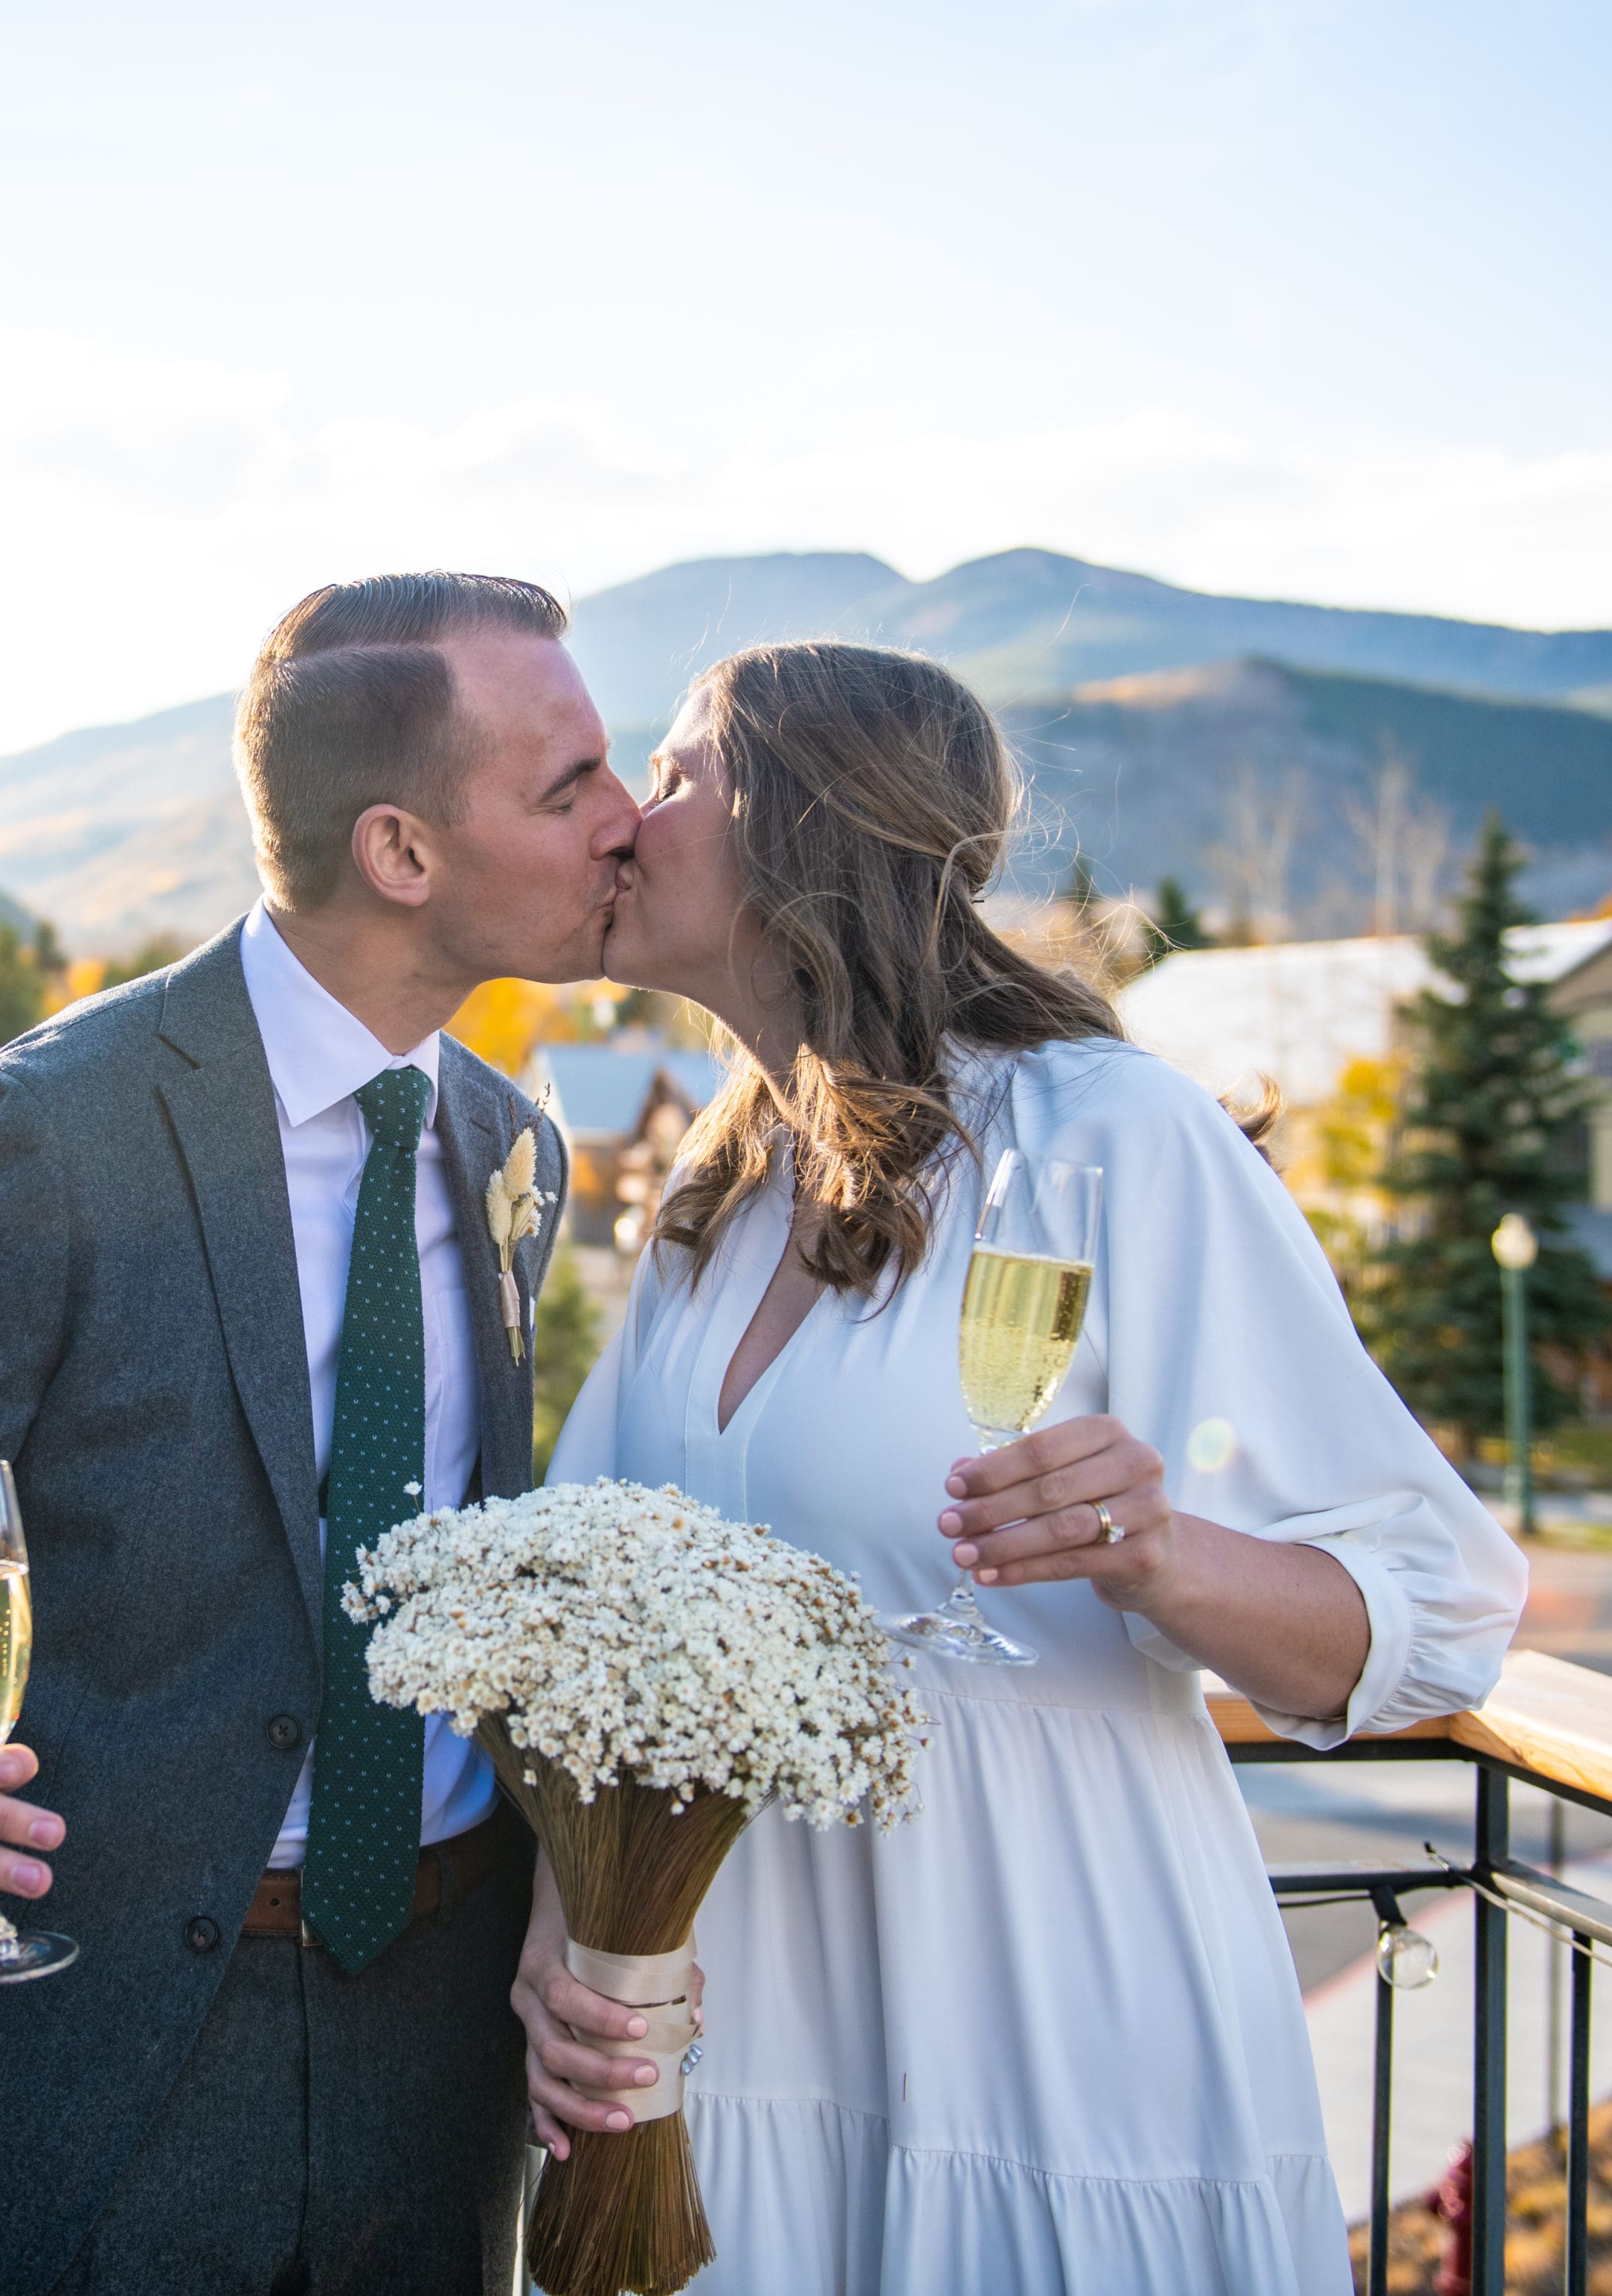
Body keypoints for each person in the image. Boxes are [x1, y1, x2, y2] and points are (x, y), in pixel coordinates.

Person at [525, 640, 1528, 2292]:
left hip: (1042, 2002)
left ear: (807, 831)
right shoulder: (718, 1193)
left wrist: (1162, 1553)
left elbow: (1427, 1612)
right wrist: (560, 1947)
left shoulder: (1108, 1137)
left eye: (681, 771)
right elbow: (592, 1606)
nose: (632, 815)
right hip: (748, 2015)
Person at [0, 573, 639, 2294]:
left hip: (429, 2073)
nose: (628, 820)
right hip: (63, 2069)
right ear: (402, 852)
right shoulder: (36, 1134)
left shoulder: (512, 1144)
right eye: (569, 782)